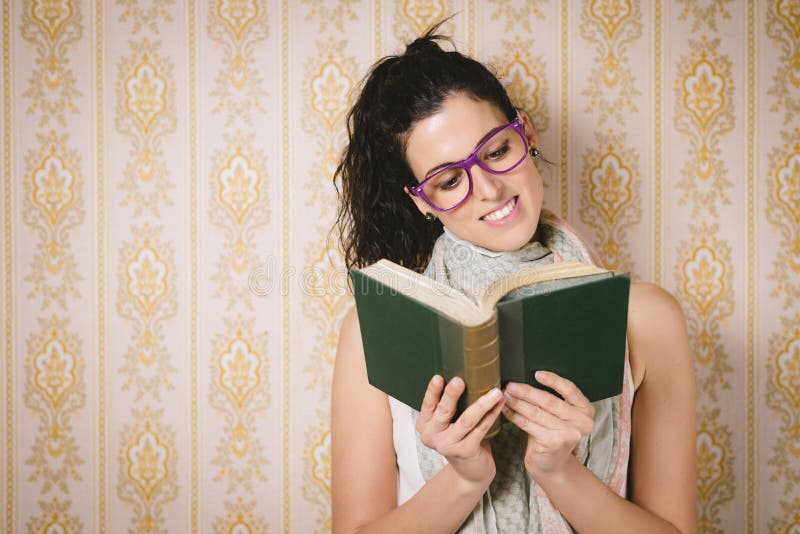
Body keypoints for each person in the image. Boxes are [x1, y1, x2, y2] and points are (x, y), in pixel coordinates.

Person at [331, 22, 696, 534]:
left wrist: (559, 470)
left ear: (526, 132)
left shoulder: (647, 317)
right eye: (449, 180)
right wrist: (464, 476)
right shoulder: (374, 329)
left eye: (497, 151)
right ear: (422, 201)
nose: (489, 189)